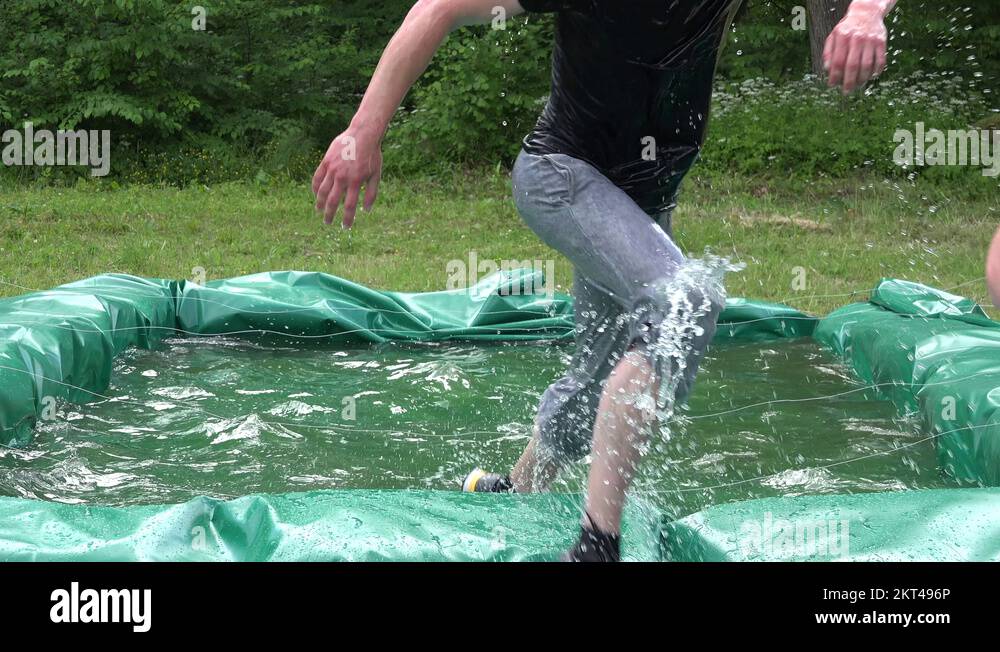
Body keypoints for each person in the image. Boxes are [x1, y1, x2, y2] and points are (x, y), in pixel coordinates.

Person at [312, 0, 896, 561]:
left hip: (643, 202)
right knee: (685, 299)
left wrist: (867, 9)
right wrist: (363, 132)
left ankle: (518, 489)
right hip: (561, 177)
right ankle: (596, 546)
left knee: (599, 369)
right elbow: (438, 7)